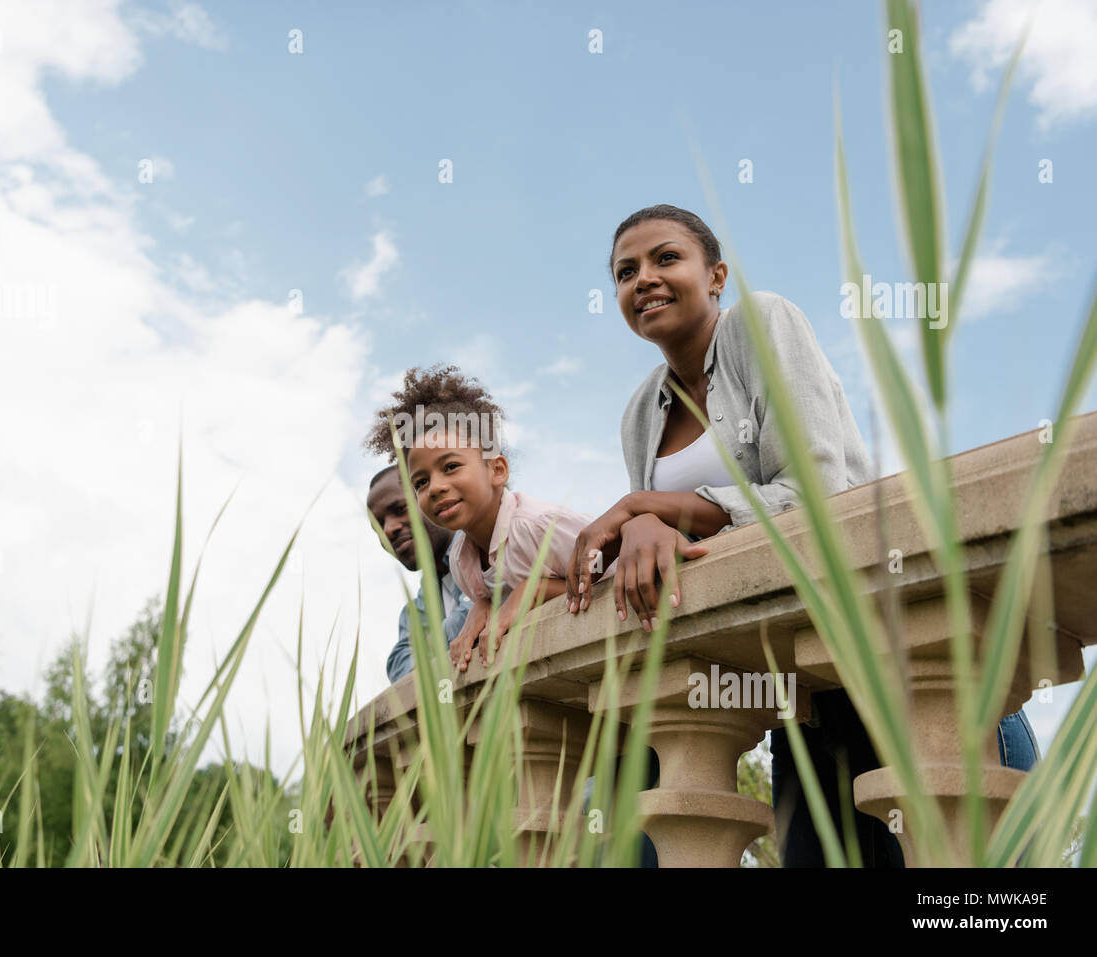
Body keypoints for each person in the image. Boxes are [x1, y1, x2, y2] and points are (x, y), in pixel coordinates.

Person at [564, 202, 1037, 866]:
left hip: (905, 665)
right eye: (624, 271)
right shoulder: (639, 414)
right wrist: (645, 520)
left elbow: (814, 498)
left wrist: (648, 503)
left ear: (717, 274)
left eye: (666, 257)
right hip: (807, 692)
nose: (642, 278)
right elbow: (680, 546)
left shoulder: (763, 324)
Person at [365, 364, 599, 671]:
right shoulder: (463, 563)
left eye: (450, 467)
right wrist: (485, 605)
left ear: (497, 469)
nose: (435, 487)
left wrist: (532, 591)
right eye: (421, 483)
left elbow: (611, 576)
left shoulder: (537, 525)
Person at [366, 465, 471, 684]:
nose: (388, 530)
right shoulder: (416, 608)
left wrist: (429, 643)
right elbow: (398, 665)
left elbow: (474, 616)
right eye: (379, 524)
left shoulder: (481, 554)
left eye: (400, 508)